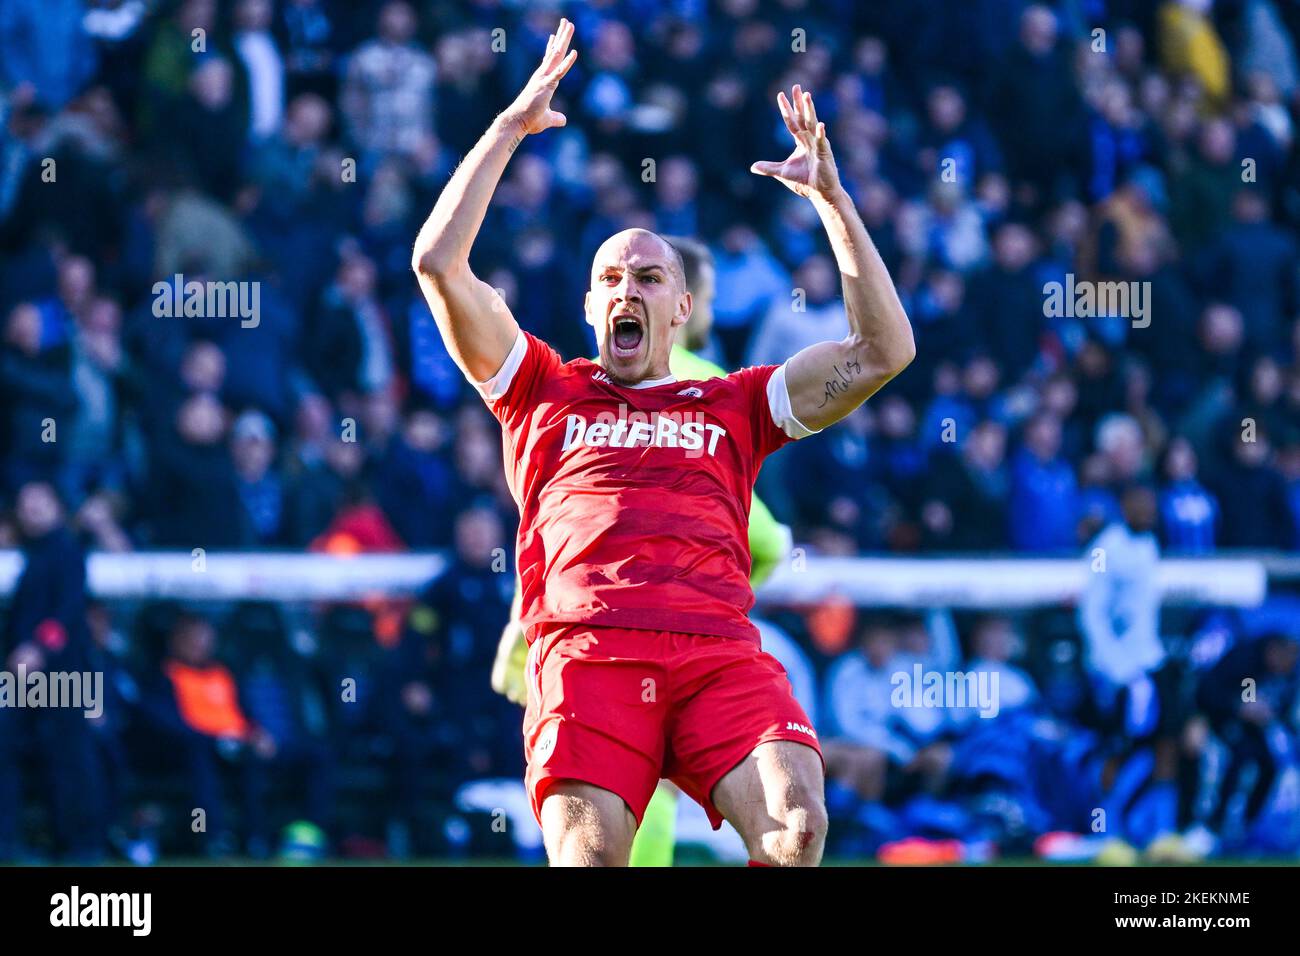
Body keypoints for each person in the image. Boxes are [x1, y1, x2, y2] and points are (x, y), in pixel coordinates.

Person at [410, 18, 914, 866]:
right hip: (591, 653)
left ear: (682, 313)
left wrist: (834, 200)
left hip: (716, 654)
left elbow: (883, 352)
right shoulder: (540, 388)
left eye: (649, 277)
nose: (627, 289)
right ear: (587, 308)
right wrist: (506, 131)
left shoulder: (735, 403)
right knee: (596, 859)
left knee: (797, 829)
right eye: (610, 278)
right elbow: (437, 263)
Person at [489, 236, 794, 867]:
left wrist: (526, 617)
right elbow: (765, 540)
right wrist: (722, 597)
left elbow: (572, 521)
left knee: (619, 832)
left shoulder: (580, 390)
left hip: (581, 635)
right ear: (690, 307)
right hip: (678, 648)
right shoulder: (709, 386)